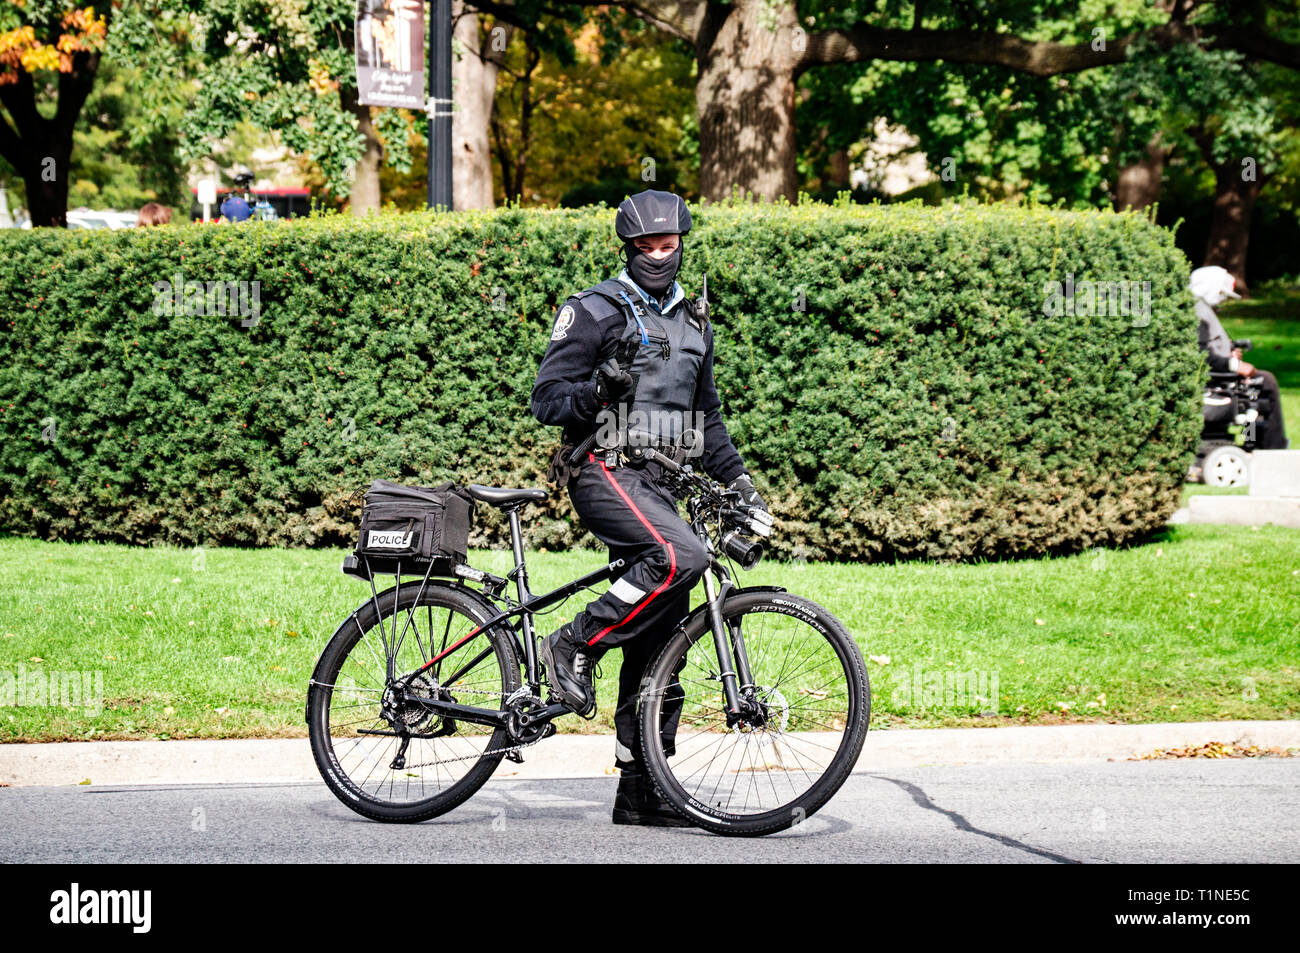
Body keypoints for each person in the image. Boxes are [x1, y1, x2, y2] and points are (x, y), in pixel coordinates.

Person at [530, 189, 767, 826]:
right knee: (679, 555)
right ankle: (571, 644)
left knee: (663, 640)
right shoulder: (596, 310)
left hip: (664, 483)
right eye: (645, 247)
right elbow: (547, 400)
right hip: (603, 469)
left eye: (669, 246)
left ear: (682, 245)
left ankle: (642, 790)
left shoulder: (696, 319)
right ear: (627, 248)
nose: (659, 256)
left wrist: (741, 486)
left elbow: (707, 418)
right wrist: (595, 390)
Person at [1190, 265, 1288, 450]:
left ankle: (1253, 443)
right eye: (1222, 294)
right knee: (1264, 383)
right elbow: (1203, 355)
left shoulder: (1199, 308)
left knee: (1259, 384)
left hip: (1217, 373)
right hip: (1216, 377)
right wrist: (1235, 365)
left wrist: (1229, 351)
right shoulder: (1199, 313)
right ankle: (1267, 446)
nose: (1223, 300)